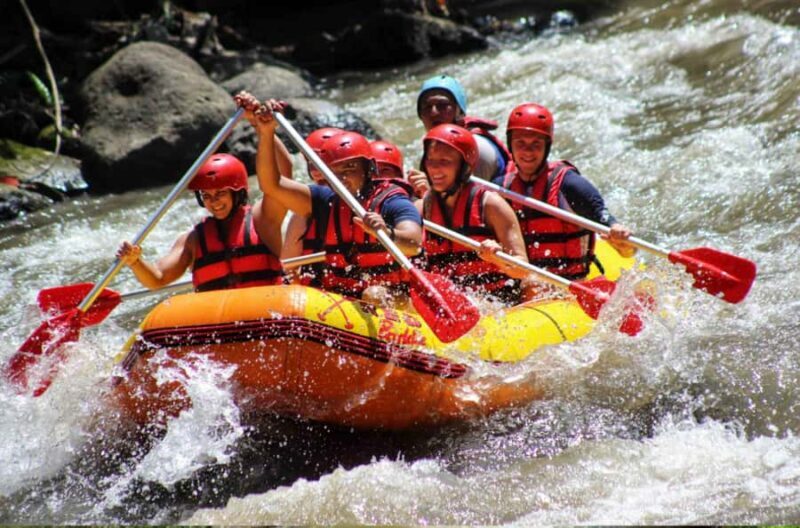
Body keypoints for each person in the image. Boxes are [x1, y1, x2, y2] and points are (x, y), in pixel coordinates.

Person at [238, 93, 424, 305]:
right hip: (340, 299)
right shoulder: (323, 199)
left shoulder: (391, 200)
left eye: (350, 168)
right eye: (334, 171)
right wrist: (266, 132)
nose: (341, 177)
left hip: (390, 296)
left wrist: (386, 232)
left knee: (373, 295)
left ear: (369, 169)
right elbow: (272, 185)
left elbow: (414, 244)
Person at [499, 103, 635, 281]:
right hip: (525, 285)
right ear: (510, 145)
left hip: (571, 283)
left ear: (547, 146)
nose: (528, 151)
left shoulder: (570, 185)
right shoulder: (500, 189)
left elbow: (609, 225)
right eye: (520, 143)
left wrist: (619, 235)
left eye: (536, 144)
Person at [116, 152, 287, 292]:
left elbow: (282, 179)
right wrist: (135, 262)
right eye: (206, 196)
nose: (214, 202)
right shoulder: (193, 240)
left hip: (266, 311)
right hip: (221, 321)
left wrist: (266, 131)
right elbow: (158, 278)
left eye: (220, 193)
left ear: (237, 193)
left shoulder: (263, 220)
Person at [417, 123, 530, 305]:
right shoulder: (421, 209)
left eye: (445, 162)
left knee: (534, 285)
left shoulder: (492, 205)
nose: (435, 169)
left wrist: (497, 259)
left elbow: (523, 269)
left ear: (464, 167)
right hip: (452, 307)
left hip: (499, 305)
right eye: (431, 161)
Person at [412, 74, 511, 184]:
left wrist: (428, 193)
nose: (434, 112)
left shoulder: (478, 148)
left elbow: (469, 199)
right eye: (427, 107)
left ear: (459, 111)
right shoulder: (435, 148)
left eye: (443, 105)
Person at [282, 126, 344, 286]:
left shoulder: (367, 204)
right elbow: (289, 269)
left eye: (322, 163)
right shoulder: (302, 213)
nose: (316, 171)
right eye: (311, 163)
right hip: (318, 295)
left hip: (361, 295)